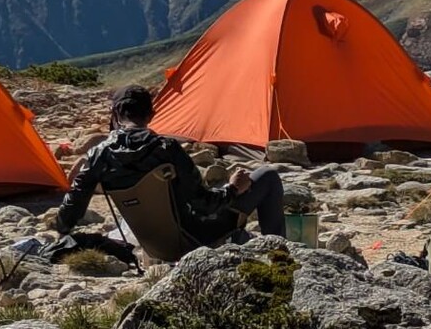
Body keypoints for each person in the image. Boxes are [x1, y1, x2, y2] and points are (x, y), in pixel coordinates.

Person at [55, 84, 285, 243]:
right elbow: (204, 205)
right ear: (151, 115)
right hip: (195, 238)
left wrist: (63, 231)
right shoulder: (166, 148)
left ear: (114, 114)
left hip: (151, 243)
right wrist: (233, 188)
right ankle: (279, 255)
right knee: (268, 176)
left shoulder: (98, 154)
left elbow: (69, 212)